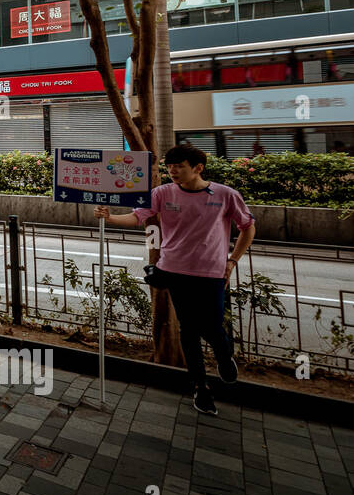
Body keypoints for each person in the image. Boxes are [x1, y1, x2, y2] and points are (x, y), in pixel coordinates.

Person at [95, 143, 256, 417]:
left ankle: (223, 356)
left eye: (179, 167)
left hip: (212, 273)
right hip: (174, 271)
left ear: (198, 168)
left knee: (214, 327)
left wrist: (232, 261)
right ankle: (201, 388)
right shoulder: (162, 193)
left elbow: (247, 227)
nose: (173, 172)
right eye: (169, 167)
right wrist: (110, 217)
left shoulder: (225, 195)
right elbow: (138, 217)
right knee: (189, 330)